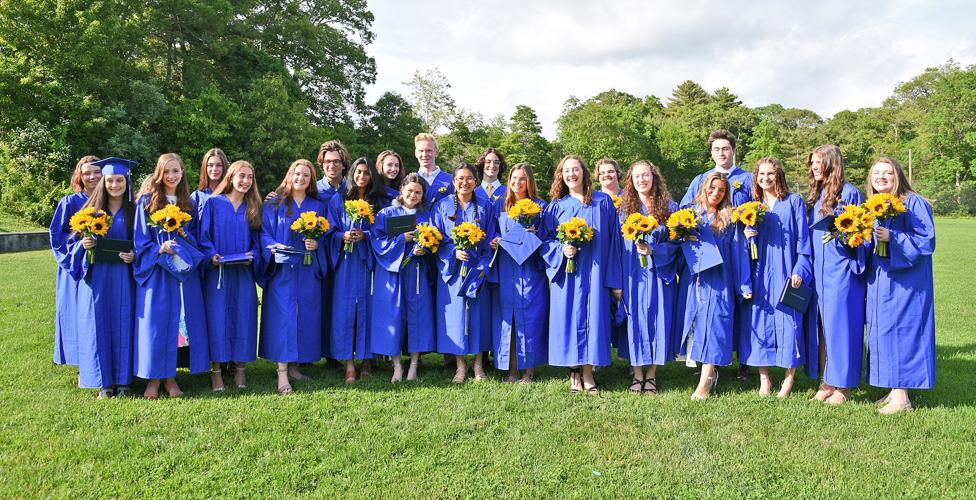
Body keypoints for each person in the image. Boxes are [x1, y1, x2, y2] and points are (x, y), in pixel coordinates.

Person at [540, 155, 623, 394]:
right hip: (567, 276)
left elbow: (614, 242)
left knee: (593, 322)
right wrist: (561, 249)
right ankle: (574, 373)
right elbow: (545, 241)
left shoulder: (603, 202)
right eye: (566, 171)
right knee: (568, 321)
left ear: (584, 173)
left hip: (595, 274)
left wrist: (614, 280)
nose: (571, 174)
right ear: (561, 175)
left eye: (575, 170)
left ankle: (588, 374)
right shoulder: (556, 206)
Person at [133, 153, 211, 398]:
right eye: (167, 171)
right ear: (159, 174)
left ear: (182, 173)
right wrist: (159, 248)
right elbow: (139, 240)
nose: (172, 176)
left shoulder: (187, 204)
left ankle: (170, 378)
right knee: (157, 324)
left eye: (176, 171)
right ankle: (153, 380)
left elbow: (198, 241)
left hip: (182, 274)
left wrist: (183, 235)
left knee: (179, 324)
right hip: (157, 272)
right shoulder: (146, 203)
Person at [680, 130, 754, 379]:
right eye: (716, 149)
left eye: (726, 148)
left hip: (739, 248)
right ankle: (708, 362)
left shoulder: (747, 179)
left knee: (738, 308)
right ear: (711, 152)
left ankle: (744, 360)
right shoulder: (701, 179)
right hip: (705, 258)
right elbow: (684, 213)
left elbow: (758, 208)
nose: (721, 153)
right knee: (707, 311)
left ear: (733, 150)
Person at [865, 157, 936, 414]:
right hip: (881, 280)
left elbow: (926, 241)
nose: (881, 177)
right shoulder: (873, 205)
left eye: (888, 173)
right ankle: (894, 389)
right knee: (883, 331)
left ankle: (902, 397)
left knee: (902, 332)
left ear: (898, 177)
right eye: (876, 173)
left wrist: (892, 236)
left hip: (906, 283)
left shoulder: (912, 202)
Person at [738, 157, 812, 398]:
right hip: (759, 271)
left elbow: (803, 240)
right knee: (759, 320)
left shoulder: (793, 202)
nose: (765, 178)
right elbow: (743, 245)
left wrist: (799, 269)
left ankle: (789, 379)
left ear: (778, 175)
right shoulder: (753, 205)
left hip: (785, 269)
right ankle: (764, 379)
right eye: (761, 174)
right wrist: (749, 235)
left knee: (788, 322)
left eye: (770, 174)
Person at [66, 158, 136, 398]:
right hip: (97, 277)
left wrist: (134, 255)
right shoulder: (90, 212)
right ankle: (103, 381)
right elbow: (72, 245)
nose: (115, 185)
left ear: (127, 182)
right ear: (103, 183)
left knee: (124, 322)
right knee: (99, 324)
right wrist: (84, 245)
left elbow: (144, 244)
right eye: (110, 180)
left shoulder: (135, 211)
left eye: (119, 180)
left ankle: (125, 381)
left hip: (124, 277)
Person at [259, 159, 329, 395]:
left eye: (306, 176)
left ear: (311, 180)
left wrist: (316, 243)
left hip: (307, 269)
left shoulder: (317, 206)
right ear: (289, 175)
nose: (301, 178)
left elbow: (326, 237)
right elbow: (264, 234)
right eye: (297, 174)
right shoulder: (274, 204)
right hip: (283, 270)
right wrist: (274, 246)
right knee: (284, 317)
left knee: (305, 316)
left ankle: (295, 366)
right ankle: (281, 374)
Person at [806, 145, 866, 406]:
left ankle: (845, 385)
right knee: (824, 328)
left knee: (843, 327)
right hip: (821, 270)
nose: (814, 167)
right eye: (812, 163)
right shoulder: (818, 194)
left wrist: (842, 235)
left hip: (842, 270)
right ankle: (827, 381)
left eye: (819, 162)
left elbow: (861, 234)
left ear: (832, 164)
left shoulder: (850, 193)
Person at [198, 160, 262, 391]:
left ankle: (240, 370)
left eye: (249, 177)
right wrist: (212, 255)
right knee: (216, 320)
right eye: (241, 176)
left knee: (244, 318)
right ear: (231, 177)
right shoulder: (213, 203)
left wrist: (254, 254)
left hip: (242, 272)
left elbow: (259, 240)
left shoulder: (253, 206)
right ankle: (216, 372)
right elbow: (203, 236)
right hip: (218, 273)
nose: (245, 181)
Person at [618, 160, 679, 394]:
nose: (641, 180)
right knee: (634, 323)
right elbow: (616, 247)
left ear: (654, 177)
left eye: (645, 175)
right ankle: (637, 374)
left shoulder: (669, 208)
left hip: (658, 274)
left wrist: (654, 251)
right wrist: (617, 282)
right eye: (637, 177)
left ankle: (651, 375)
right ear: (631, 181)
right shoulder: (622, 210)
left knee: (657, 322)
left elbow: (675, 244)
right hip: (632, 274)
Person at [369, 173, 437, 382]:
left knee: (418, 316)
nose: (413, 195)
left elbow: (435, 241)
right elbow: (377, 241)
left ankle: (414, 365)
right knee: (393, 316)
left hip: (416, 272)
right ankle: (396, 365)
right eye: (410, 191)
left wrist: (425, 250)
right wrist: (401, 239)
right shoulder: (387, 213)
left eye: (418, 192)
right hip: (393, 273)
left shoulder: (426, 216)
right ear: (401, 190)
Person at [433, 163, 496, 383]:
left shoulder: (486, 207)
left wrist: (482, 267)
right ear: (453, 182)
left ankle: (478, 365)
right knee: (455, 317)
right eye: (460, 178)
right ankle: (460, 366)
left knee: (479, 317)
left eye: (469, 178)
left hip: (477, 270)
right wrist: (453, 252)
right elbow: (436, 238)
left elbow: (490, 241)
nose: (465, 182)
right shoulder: (442, 206)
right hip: (452, 273)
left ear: (476, 182)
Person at [488, 163, 548, 383]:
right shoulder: (500, 206)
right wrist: (493, 240)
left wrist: (536, 233)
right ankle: (512, 369)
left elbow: (548, 235)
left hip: (531, 270)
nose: (517, 182)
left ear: (530, 182)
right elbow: (491, 231)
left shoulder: (541, 206)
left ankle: (529, 370)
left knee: (529, 318)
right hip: (507, 268)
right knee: (509, 319)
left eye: (523, 178)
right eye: (514, 178)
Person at [326, 157, 384, 383]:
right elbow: (329, 231)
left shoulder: (378, 202)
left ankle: (367, 360)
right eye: (358, 172)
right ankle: (349, 364)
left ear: (372, 177)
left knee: (369, 310)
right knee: (345, 311)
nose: (362, 176)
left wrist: (366, 235)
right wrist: (343, 236)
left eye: (367, 173)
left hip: (369, 262)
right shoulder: (338, 200)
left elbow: (383, 233)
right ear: (352, 174)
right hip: (347, 263)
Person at [50, 155, 101, 367]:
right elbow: (58, 238)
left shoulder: (108, 200)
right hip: (76, 269)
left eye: (97, 172)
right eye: (87, 173)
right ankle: (82, 364)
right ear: (79, 175)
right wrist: (81, 247)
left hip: (104, 267)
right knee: (79, 317)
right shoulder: (70, 202)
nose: (92, 177)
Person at [415, 133, 454, 208]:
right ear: (416, 153)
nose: (425, 154)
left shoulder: (451, 180)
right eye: (421, 151)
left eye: (429, 150)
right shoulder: (410, 181)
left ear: (436, 152)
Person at [190, 148, 229, 224]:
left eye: (219, 165)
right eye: (210, 165)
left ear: (224, 167)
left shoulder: (231, 196)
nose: (214, 169)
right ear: (205, 167)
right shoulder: (196, 197)